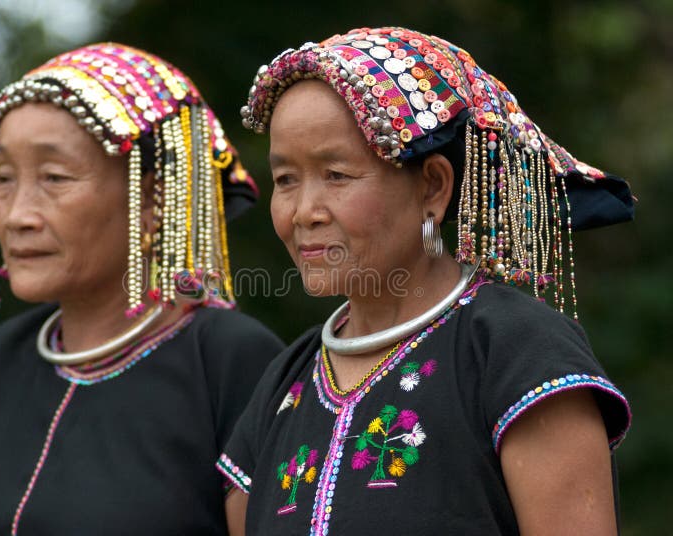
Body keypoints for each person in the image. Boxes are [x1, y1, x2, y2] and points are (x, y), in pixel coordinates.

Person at [218, 27, 634, 535]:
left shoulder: (516, 353)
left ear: (433, 187)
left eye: (336, 175)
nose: (304, 212)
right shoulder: (286, 385)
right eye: (286, 180)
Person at [0, 43, 284, 535]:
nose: (16, 216)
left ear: (152, 200)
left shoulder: (229, 363)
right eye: (3, 178)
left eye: (54, 177)